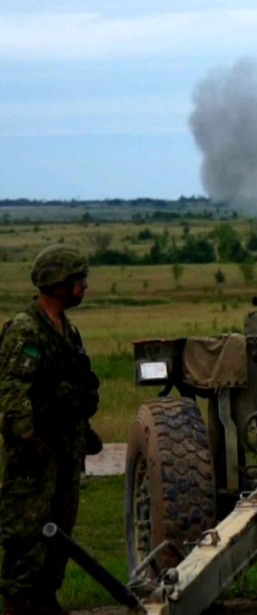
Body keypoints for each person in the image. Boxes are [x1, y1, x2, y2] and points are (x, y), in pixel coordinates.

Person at [0, 245, 101, 615]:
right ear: (57, 283)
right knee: (26, 535)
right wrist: (30, 441)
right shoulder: (26, 331)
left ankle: (45, 601)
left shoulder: (67, 332)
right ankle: (16, 605)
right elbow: (12, 394)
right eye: (78, 280)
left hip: (65, 454)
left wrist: (82, 430)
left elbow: (73, 388)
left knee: (59, 535)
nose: (84, 286)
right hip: (34, 459)